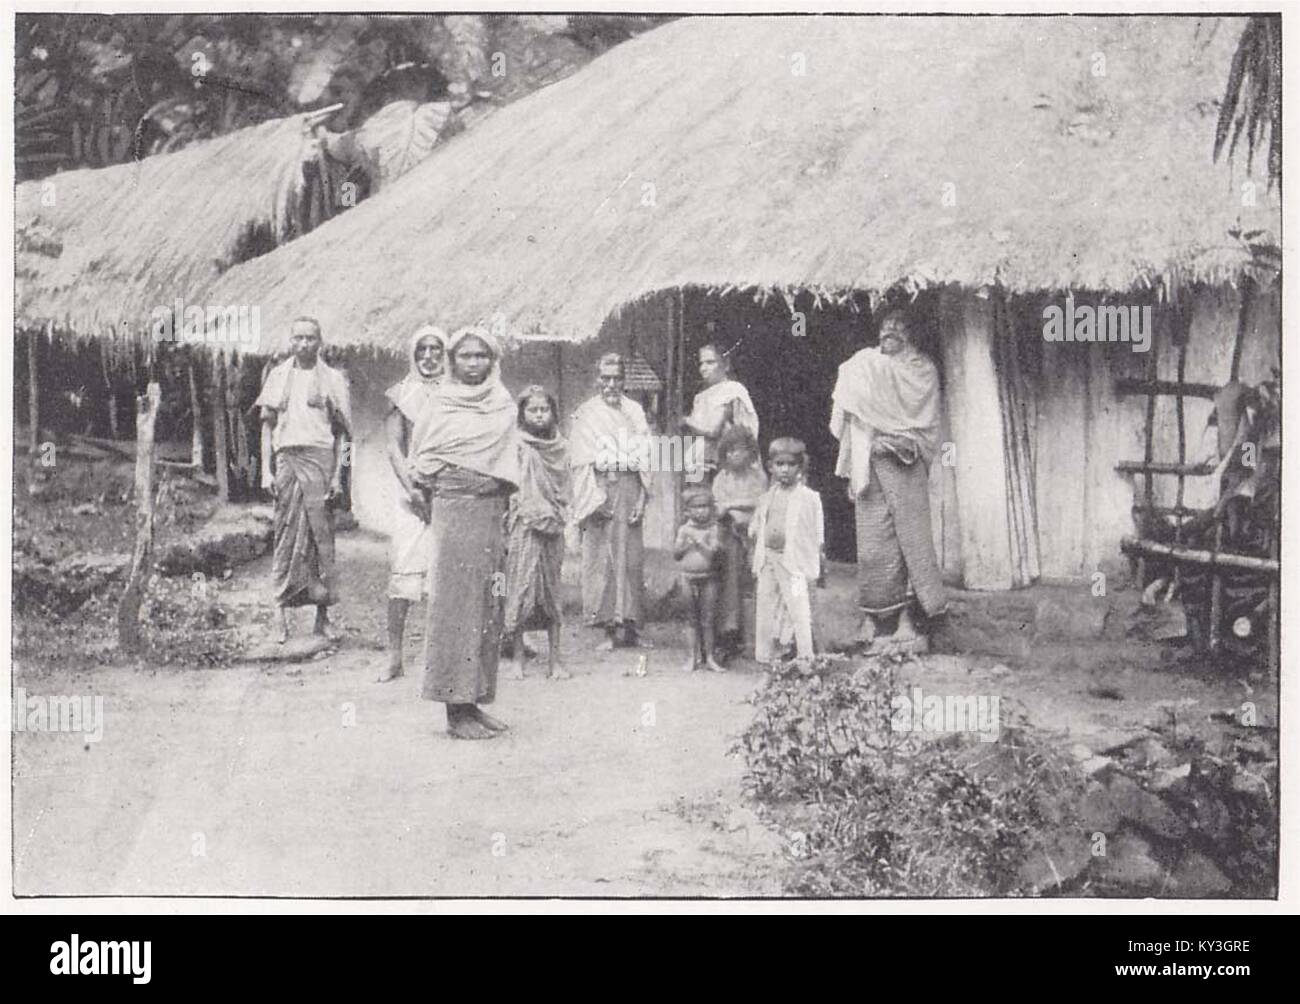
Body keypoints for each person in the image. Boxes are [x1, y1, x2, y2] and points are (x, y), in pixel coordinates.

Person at [407, 326, 521, 741]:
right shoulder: (441, 403)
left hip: (491, 508)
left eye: (481, 356)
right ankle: (455, 711)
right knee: (456, 605)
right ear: (453, 361)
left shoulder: (503, 403)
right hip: (454, 507)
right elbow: (423, 456)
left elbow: (509, 459)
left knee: (487, 604)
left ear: (493, 361)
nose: (474, 364)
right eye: (466, 356)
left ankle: (473, 700)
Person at [830, 309, 946, 651]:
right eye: (885, 326)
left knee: (908, 538)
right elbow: (850, 411)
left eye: (900, 325)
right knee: (872, 543)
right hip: (869, 459)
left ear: (913, 334)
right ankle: (875, 618)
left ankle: (909, 622)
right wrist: (863, 444)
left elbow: (920, 420)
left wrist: (891, 437)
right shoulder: (862, 363)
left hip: (903, 460)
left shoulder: (921, 370)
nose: (890, 330)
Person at [256, 316, 353, 644]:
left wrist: (339, 476)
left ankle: (321, 618)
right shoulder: (278, 376)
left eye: (310, 338)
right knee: (285, 537)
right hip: (287, 462)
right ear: (290, 340)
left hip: (321, 462)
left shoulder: (334, 380)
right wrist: (266, 471)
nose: (303, 344)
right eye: (297, 337)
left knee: (321, 542)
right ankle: (279, 617)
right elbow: (267, 426)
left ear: (320, 341)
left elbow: (342, 435)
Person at [569, 353, 652, 650]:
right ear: (597, 379)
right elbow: (579, 460)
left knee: (630, 559)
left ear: (624, 380)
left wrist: (643, 498)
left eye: (617, 378)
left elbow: (645, 455)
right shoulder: (586, 413)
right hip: (600, 488)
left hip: (629, 487)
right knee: (603, 560)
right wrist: (593, 498)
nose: (612, 384)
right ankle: (608, 630)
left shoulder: (635, 411)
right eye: (606, 378)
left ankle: (630, 629)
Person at [377, 324, 446, 683]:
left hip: (449, 493)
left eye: (436, 349)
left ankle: (436, 658)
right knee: (405, 573)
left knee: (444, 575)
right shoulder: (402, 394)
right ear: (413, 355)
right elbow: (393, 447)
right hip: (412, 495)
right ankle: (394, 656)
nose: (429, 356)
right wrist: (413, 488)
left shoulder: (458, 393)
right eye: (422, 350)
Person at [504, 386, 570, 681]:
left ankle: (555, 661)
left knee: (553, 592)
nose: (540, 415)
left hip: (553, 523)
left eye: (545, 409)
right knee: (521, 587)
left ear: (553, 413)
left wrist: (560, 509)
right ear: (522, 414)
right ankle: (518, 659)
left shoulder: (562, 447)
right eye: (533, 410)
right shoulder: (516, 445)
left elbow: (567, 485)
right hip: (525, 524)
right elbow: (509, 483)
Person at [749, 438, 824, 664]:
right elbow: (757, 526)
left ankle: (805, 660)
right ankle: (766, 661)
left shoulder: (809, 498)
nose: (784, 469)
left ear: (800, 468)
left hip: (794, 562)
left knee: (800, 610)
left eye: (791, 465)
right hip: (768, 560)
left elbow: (817, 533)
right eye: (779, 464)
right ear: (771, 466)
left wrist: (817, 559)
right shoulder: (767, 496)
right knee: (765, 609)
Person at [710, 425, 768, 659]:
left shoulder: (758, 476)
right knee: (730, 584)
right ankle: (729, 634)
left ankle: (755, 639)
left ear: (750, 452)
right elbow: (718, 506)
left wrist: (733, 505)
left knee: (753, 586)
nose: (736, 455)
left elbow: (760, 501)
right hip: (730, 536)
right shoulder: (721, 479)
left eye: (741, 450)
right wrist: (732, 508)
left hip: (754, 537)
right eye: (731, 451)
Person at [681, 342, 759, 480]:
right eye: (701, 363)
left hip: (728, 463)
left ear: (726, 365)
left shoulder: (732, 391)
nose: (703, 368)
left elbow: (714, 431)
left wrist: (686, 421)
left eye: (710, 362)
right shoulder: (701, 397)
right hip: (701, 463)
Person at [674, 488, 726, 673]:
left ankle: (710, 657)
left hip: (708, 578)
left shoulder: (713, 529)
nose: (700, 511)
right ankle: (691, 657)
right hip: (687, 578)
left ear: (711, 509)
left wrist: (701, 543)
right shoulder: (684, 529)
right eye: (695, 507)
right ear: (687, 511)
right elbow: (676, 555)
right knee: (690, 619)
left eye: (704, 507)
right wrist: (684, 545)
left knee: (708, 619)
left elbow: (715, 553)